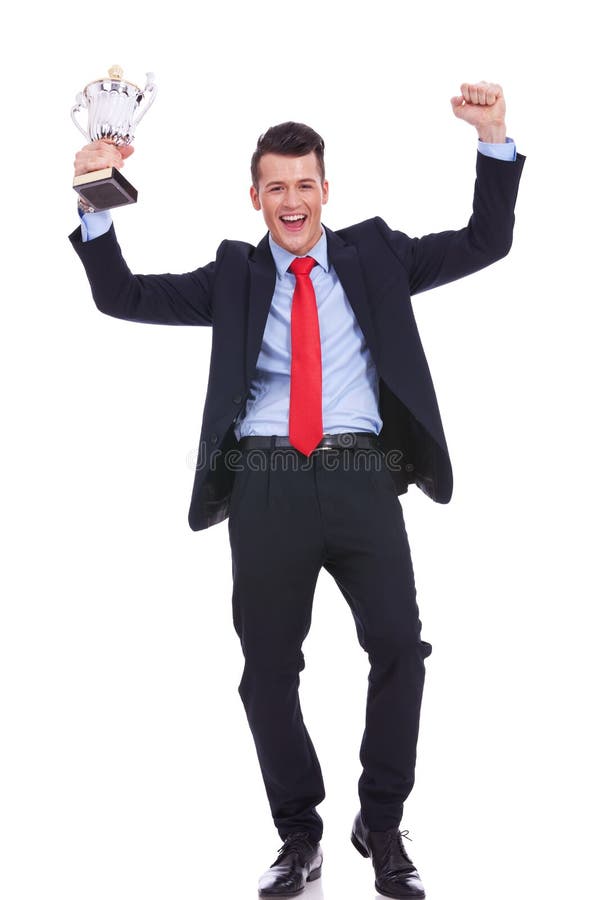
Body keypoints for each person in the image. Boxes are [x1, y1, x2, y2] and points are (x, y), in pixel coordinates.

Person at [70, 81, 525, 899]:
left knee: (400, 650)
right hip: (266, 484)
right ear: (255, 196)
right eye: (275, 186)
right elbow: (121, 295)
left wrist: (493, 139)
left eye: (305, 183)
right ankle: (299, 835)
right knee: (268, 670)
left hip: (360, 476)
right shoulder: (233, 273)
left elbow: (487, 241)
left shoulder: (378, 253)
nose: (291, 200)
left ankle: (380, 823)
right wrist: (96, 202)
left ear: (326, 189)